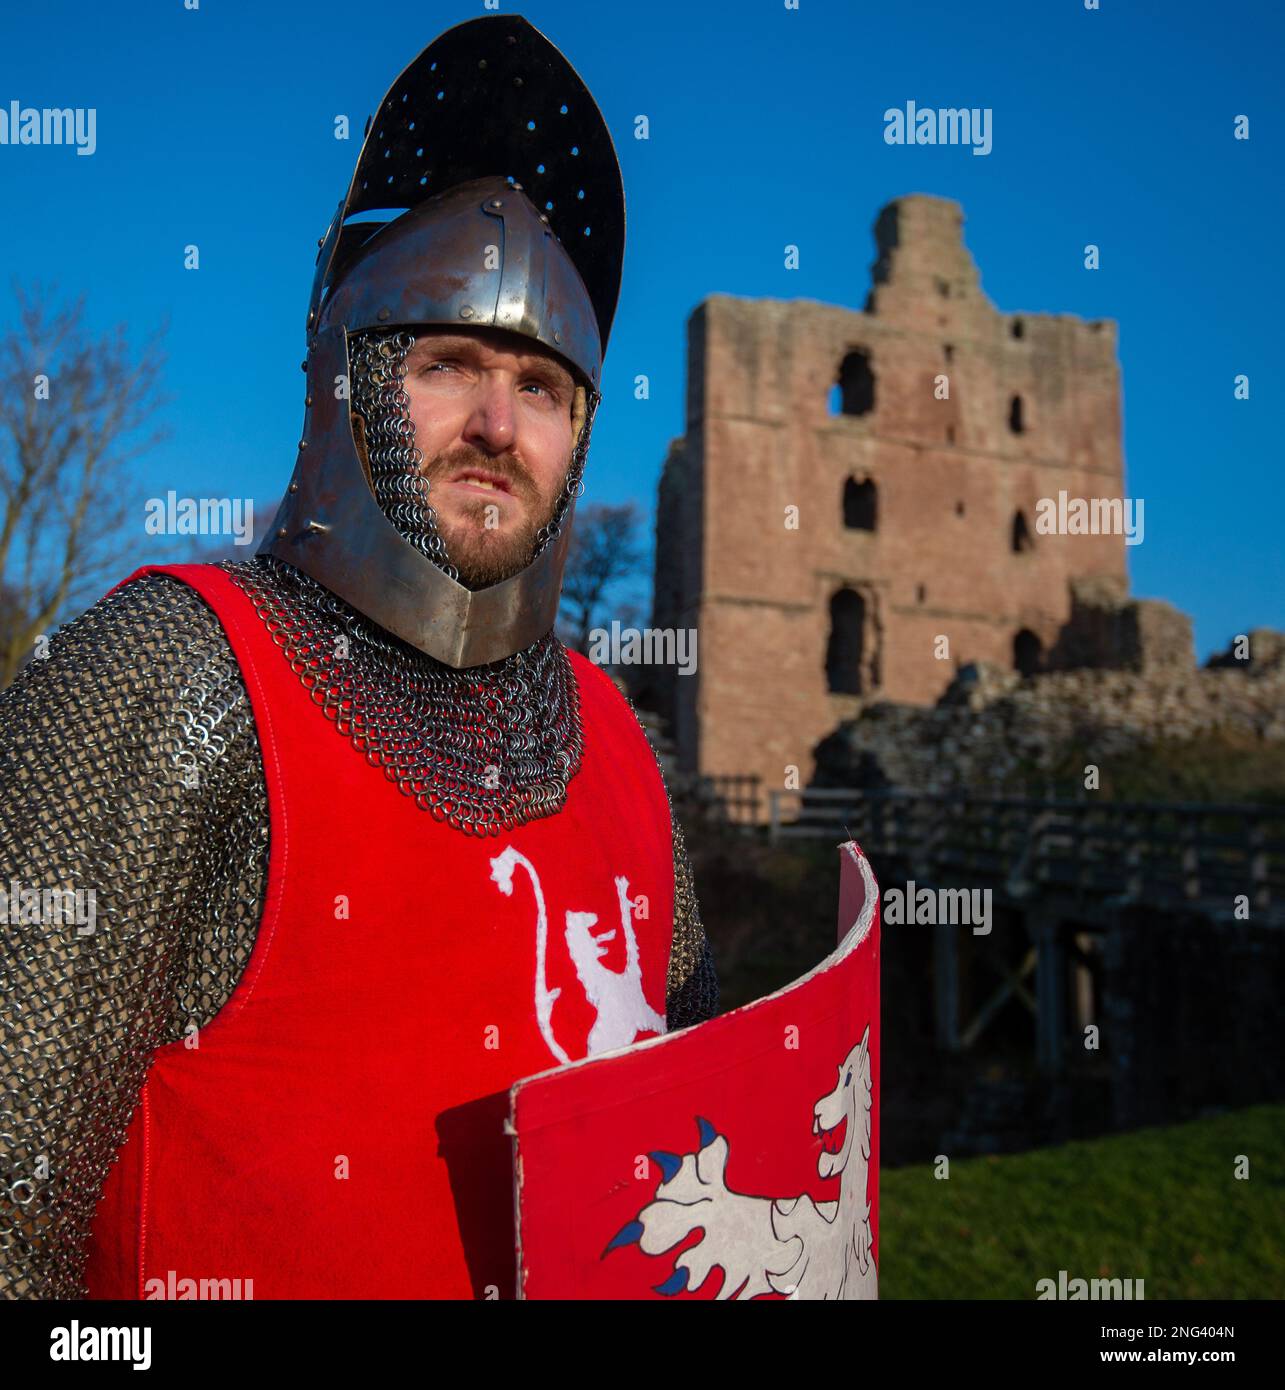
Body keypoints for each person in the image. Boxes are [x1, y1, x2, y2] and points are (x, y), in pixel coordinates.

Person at [0, 15, 717, 1300]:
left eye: (543, 388)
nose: (499, 425)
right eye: (449, 364)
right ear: (349, 380)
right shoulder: (171, 678)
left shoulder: (620, 748)